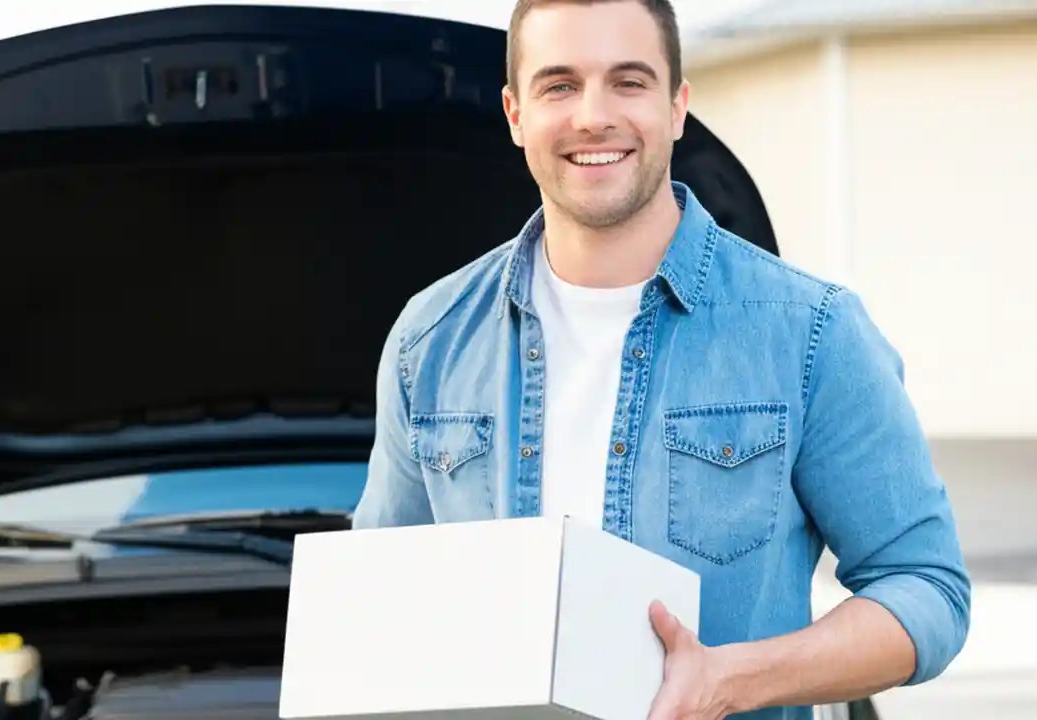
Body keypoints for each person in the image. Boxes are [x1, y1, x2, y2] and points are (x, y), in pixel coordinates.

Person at [351, 0, 971, 718]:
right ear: (515, 113)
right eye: (559, 84)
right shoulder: (429, 341)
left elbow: (927, 589)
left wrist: (733, 680)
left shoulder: (809, 333)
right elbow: (380, 605)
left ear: (677, 107)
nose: (593, 116)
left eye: (629, 81)